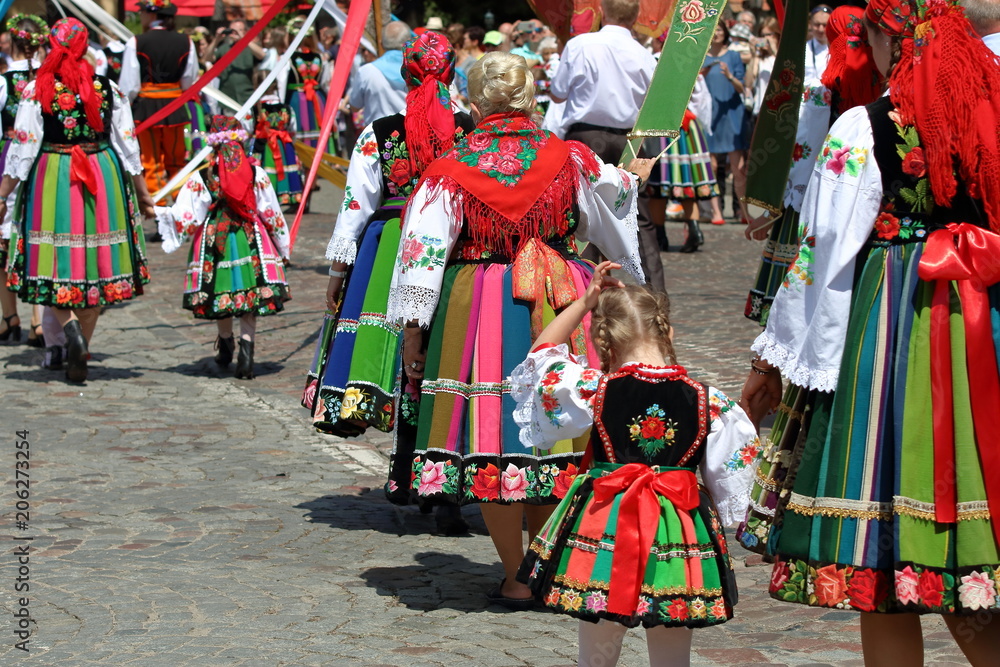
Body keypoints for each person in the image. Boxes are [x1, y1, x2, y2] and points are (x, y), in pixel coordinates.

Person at [739, 1, 1000, 664]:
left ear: (890, 40)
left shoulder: (866, 125)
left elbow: (825, 252)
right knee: (972, 547)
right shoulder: (991, 106)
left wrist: (774, 362)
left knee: (880, 566)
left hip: (891, 330)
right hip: (984, 326)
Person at [385, 51, 652, 606]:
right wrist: (632, 183)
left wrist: (414, 334)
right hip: (561, 296)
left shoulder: (449, 170)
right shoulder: (569, 157)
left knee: (496, 438)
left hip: (479, 303)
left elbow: (422, 257)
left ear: (474, 102)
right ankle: (554, 561)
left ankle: (517, 573)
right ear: (531, 96)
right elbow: (613, 205)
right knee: (557, 432)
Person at [511, 264, 762, 666]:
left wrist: (584, 301)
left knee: (599, 634)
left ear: (603, 341)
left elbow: (542, 356)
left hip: (604, 521)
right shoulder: (711, 402)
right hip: (677, 530)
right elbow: (731, 485)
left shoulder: (592, 389)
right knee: (672, 638)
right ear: (668, 333)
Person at [0, 18, 155, 383]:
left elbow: (23, 147)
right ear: (86, 48)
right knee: (96, 268)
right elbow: (127, 145)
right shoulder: (108, 88)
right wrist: (145, 196)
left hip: (53, 174)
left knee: (54, 264)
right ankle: (80, 341)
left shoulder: (36, 89)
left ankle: (68, 333)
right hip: (102, 175)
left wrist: (3, 194)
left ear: (51, 46)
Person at [154, 115, 291, 380]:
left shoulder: (204, 175)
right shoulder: (255, 172)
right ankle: (247, 353)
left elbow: (187, 214)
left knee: (222, 291)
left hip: (216, 239)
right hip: (250, 235)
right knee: (250, 295)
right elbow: (270, 211)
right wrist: (282, 246)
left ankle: (226, 344)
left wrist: (160, 213)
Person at [550, 0, 662, 291]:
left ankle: (585, 294)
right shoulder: (644, 54)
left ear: (601, 11)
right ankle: (655, 296)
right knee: (639, 217)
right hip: (629, 140)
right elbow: (655, 101)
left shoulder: (580, 45)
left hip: (586, 137)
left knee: (583, 214)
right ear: (636, 15)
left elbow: (558, 93)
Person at [118, 0, 198, 198]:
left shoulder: (136, 42)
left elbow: (130, 85)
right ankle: (181, 202)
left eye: (143, 13)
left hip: (147, 108)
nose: (141, 16)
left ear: (152, 15)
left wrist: (124, 109)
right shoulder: (186, 41)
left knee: (151, 160)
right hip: (175, 105)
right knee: (176, 158)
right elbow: (189, 80)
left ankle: (158, 207)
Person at [0, 14, 47, 348]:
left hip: (7, 159)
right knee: (36, 233)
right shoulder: (49, 80)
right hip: (45, 162)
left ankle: (9, 317)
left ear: (12, 43)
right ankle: (37, 320)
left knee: (2, 240)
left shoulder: (3, 83)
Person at [645, 73, 722, 254]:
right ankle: (694, 231)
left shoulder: (656, 63)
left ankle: (660, 236)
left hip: (663, 125)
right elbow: (703, 102)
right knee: (687, 180)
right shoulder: (694, 69)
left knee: (659, 185)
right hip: (688, 126)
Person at [703, 22, 749, 222]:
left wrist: (730, 76)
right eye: (713, 30)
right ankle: (716, 211)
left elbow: (742, 88)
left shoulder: (734, 57)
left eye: (720, 30)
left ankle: (744, 211)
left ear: (726, 33)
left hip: (731, 115)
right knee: (711, 166)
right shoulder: (702, 60)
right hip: (710, 115)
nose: (717, 34)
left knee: (738, 168)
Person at [284, 23, 335, 153]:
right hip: (317, 98)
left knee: (301, 129)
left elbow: (282, 83)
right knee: (316, 129)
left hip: (297, 99)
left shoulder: (288, 58)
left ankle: (302, 162)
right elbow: (325, 82)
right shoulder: (320, 57)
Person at [348, 21, 410, 125]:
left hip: (377, 137)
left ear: (381, 44)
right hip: (411, 136)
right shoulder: (420, 71)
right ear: (409, 43)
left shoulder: (366, 71)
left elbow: (355, 106)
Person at [252, 86, 304, 207]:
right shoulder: (287, 108)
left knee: (266, 168)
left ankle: (266, 197)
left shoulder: (255, 109)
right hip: (283, 144)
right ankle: (286, 196)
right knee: (285, 168)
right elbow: (293, 129)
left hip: (263, 144)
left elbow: (248, 128)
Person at [208, 19, 265, 108]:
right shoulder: (224, 48)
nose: (234, 33)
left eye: (238, 30)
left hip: (247, 97)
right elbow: (207, 58)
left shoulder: (249, 48)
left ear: (245, 31)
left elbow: (262, 55)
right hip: (228, 99)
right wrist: (216, 40)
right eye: (232, 30)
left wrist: (244, 39)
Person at [746, 17, 780, 118]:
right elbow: (748, 83)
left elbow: (785, 72)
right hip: (761, 109)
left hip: (779, 109)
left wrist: (774, 50)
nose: (766, 38)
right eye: (763, 35)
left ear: (777, 35)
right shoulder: (760, 58)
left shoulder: (783, 56)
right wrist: (753, 56)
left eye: (769, 35)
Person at [803, 4, 832, 82]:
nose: (821, 29)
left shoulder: (839, 50)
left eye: (825, 25)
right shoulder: (803, 50)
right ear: (810, 24)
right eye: (817, 24)